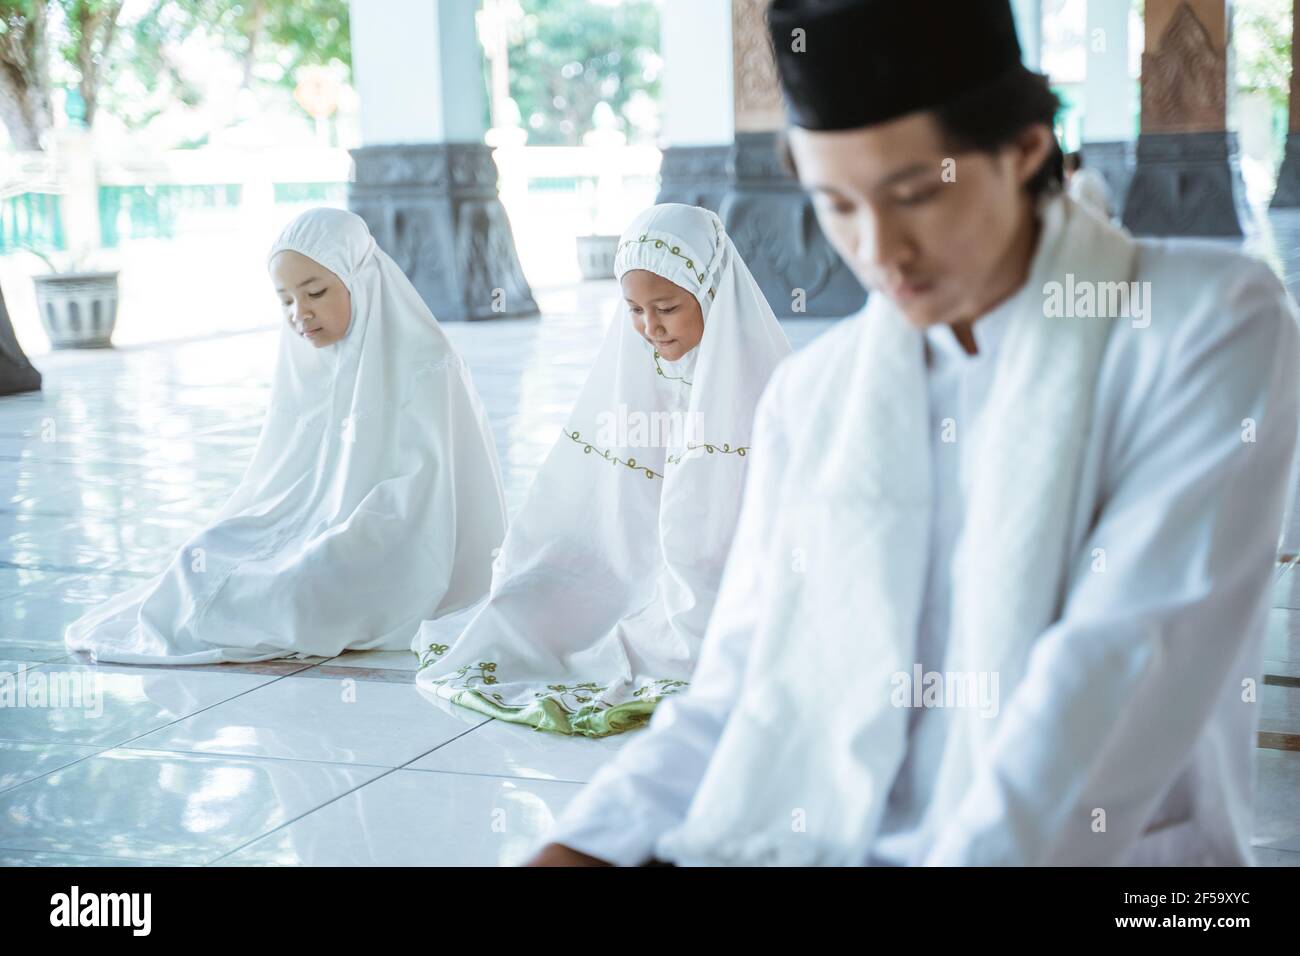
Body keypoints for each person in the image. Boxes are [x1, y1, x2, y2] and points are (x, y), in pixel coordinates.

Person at [528, 0, 1300, 865]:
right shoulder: (816, 395)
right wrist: (582, 841)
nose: (880, 250)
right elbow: (744, 689)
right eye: (838, 205)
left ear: (1024, 150)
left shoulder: (1205, 324)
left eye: (915, 195)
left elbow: (1119, 667)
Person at [412, 203, 791, 736]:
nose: (650, 327)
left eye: (666, 307)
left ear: (710, 291)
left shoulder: (758, 372)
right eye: (634, 310)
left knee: (693, 622)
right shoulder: (635, 361)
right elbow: (596, 485)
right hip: (634, 550)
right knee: (530, 594)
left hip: (723, 556)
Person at [65, 208, 507, 664]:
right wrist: (291, 525)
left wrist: (342, 532)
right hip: (315, 522)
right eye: (286, 300)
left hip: (394, 539)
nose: (301, 313)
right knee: (198, 560)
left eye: (315, 292)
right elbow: (282, 476)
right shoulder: (309, 360)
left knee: (300, 585)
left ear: (361, 280)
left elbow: (427, 499)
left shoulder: (427, 361)